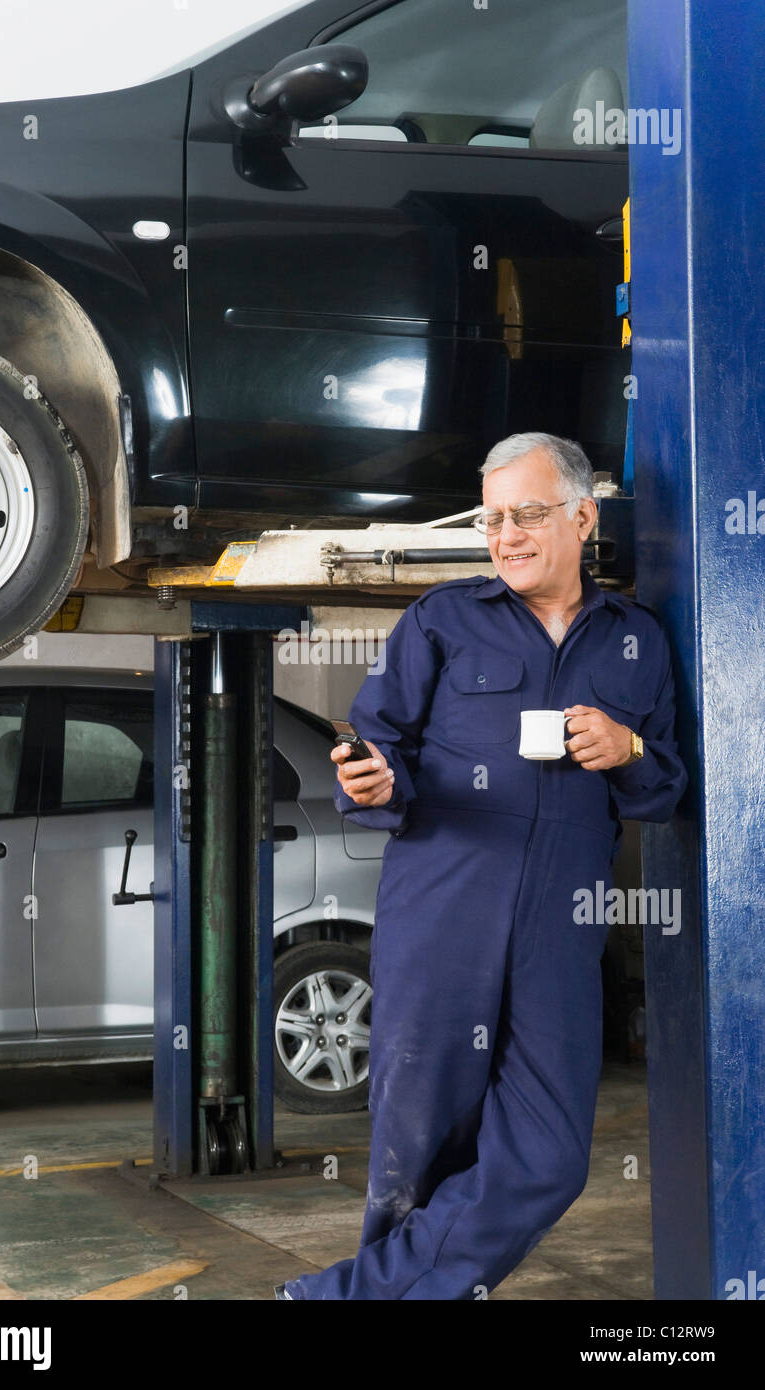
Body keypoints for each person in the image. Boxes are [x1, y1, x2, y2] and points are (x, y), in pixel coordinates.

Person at [276, 431, 687, 1301]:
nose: (504, 536)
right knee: (418, 1148)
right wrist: (372, 777)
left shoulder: (636, 641)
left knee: (550, 1154)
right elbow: (376, 746)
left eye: (525, 515)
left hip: (562, 923)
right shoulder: (442, 618)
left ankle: (342, 1300)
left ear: (582, 518)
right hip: (443, 908)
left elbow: (662, 790)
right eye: (491, 519)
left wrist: (626, 749)